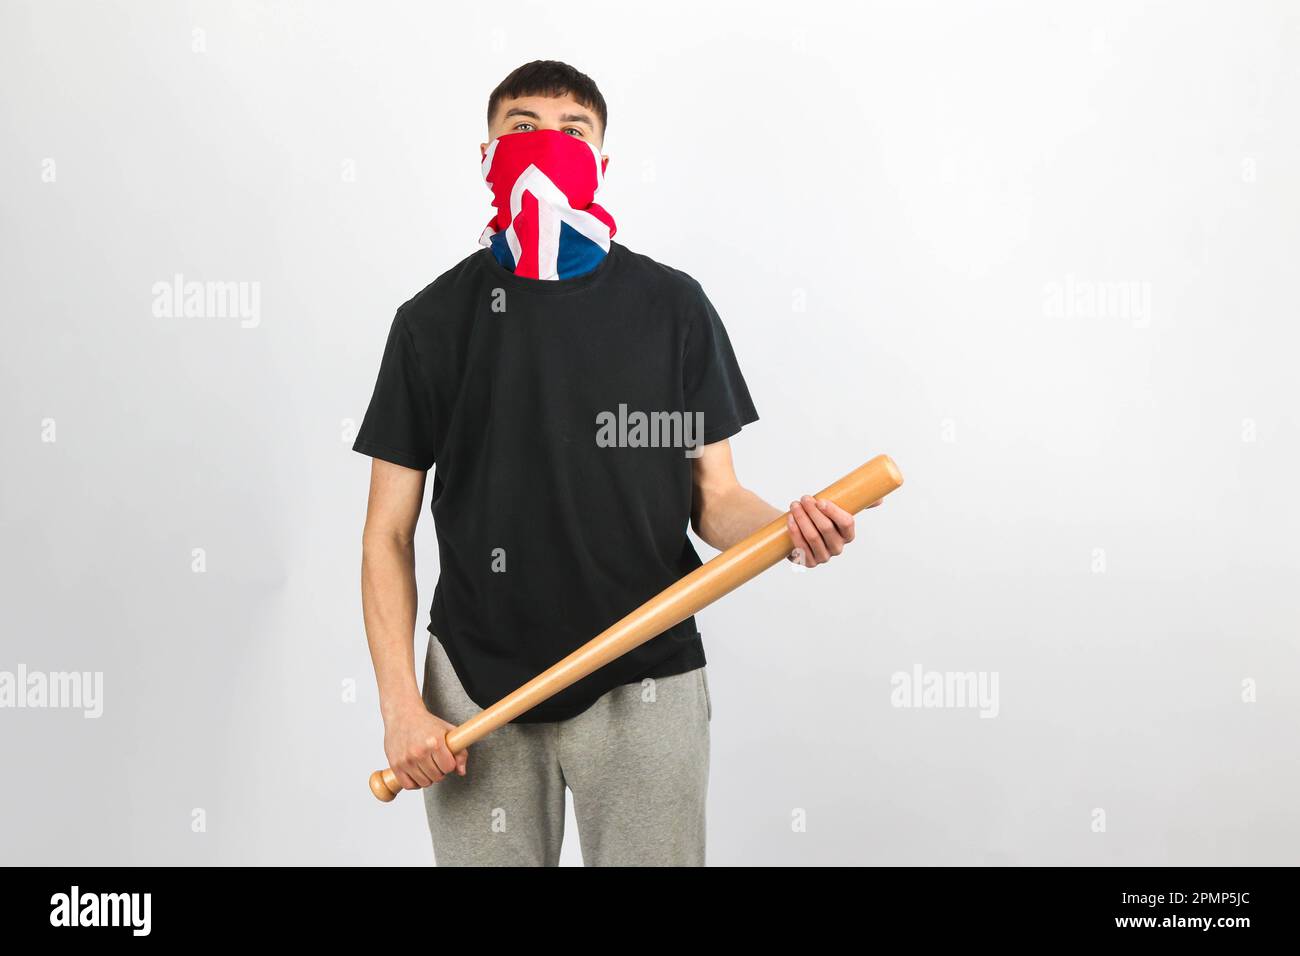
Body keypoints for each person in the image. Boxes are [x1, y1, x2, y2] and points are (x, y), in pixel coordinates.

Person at [353, 60, 864, 866]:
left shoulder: (673, 307)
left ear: (601, 160)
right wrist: (400, 706)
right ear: (486, 154)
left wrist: (787, 531)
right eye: (522, 127)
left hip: (645, 676)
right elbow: (386, 533)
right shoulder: (431, 321)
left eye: (572, 130)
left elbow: (715, 498)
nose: (546, 143)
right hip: (472, 688)